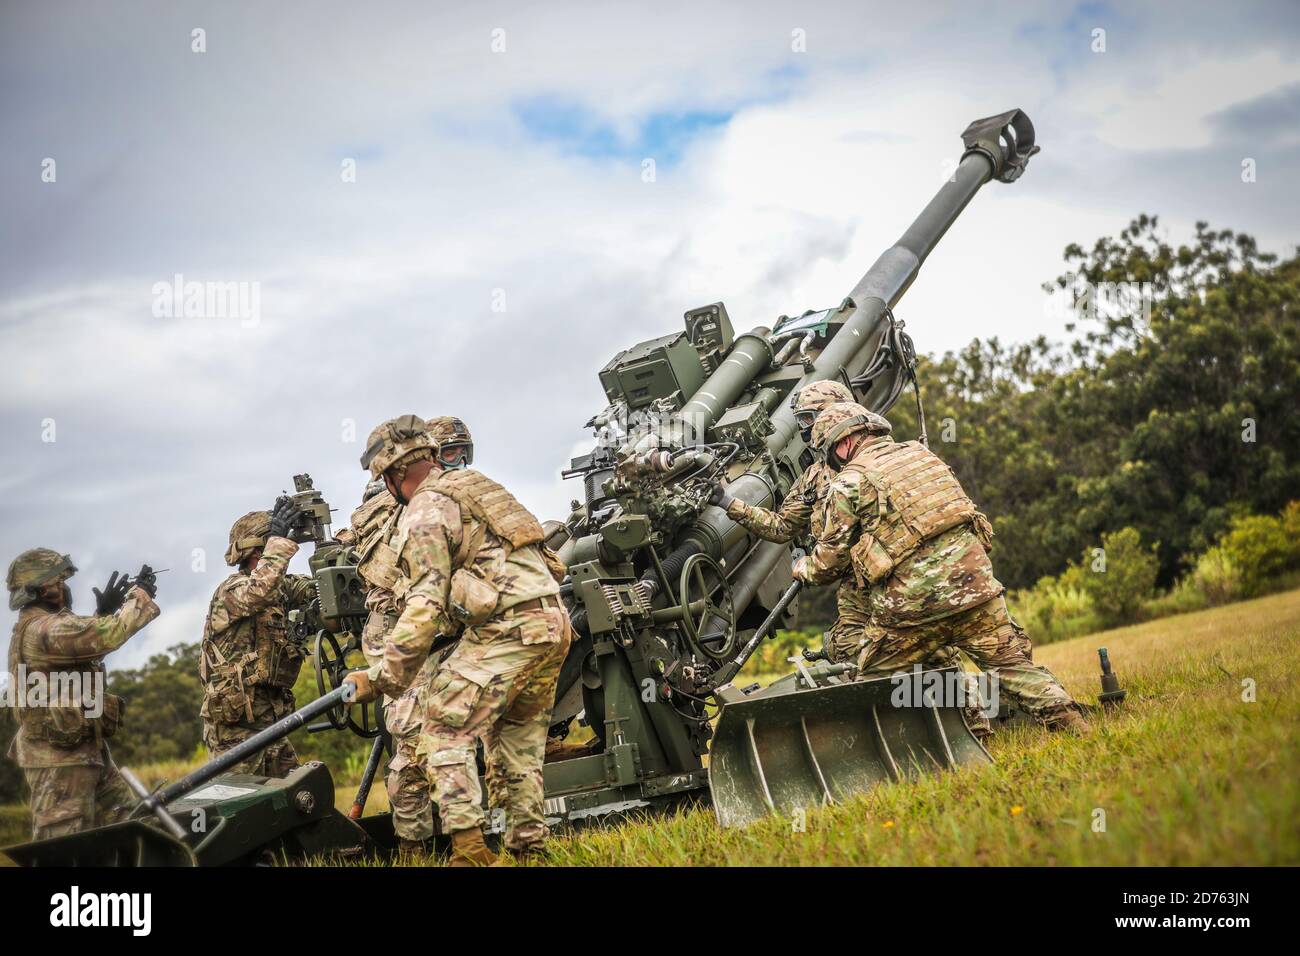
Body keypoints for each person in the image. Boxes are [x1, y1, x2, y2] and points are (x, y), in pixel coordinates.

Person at [345, 414, 570, 866]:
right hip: (553, 624)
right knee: (517, 742)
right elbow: (552, 564)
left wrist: (383, 676)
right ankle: (531, 851)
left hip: (509, 630)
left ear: (393, 475)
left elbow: (424, 604)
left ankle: (469, 853)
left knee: (443, 724)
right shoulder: (479, 489)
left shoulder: (425, 509)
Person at [793, 402, 1088, 733]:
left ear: (844, 442)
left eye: (831, 452)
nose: (833, 460)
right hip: (977, 590)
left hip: (912, 609)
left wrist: (801, 567)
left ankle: (955, 737)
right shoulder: (924, 456)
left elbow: (827, 564)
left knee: (874, 681)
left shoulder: (848, 482)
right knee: (1014, 669)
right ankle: (1075, 727)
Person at [352, 416, 474, 857]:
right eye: (449, 455)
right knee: (413, 745)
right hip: (400, 633)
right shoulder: (382, 507)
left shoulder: (443, 500)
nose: (456, 465)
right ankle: (413, 847)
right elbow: (395, 575)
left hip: (440, 630)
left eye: (464, 455)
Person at [711, 380, 874, 664]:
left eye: (809, 418)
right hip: (855, 585)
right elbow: (783, 526)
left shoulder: (876, 458)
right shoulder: (814, 477)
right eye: (800, 420)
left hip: (894, 571)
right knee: (848, 651)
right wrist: (728, 503)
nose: (804, 428)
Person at [6, 548, 159, 839]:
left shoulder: (41, 627)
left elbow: (81, 655)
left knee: (133, 829)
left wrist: (102, 613)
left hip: (83, 755)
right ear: (37, 589)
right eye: (57, 583)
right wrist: (140, 594)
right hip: (61, 765)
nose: (64, 589)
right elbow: (112, 634)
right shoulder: (45, 629)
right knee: (65, 848)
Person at [199, 498, 317, 776]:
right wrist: (277, 542)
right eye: (274, 539)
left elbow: (316, 590)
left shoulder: (278, 586)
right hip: (235, 732)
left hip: (270, 725)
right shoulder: (231, 591)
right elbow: (258, 591)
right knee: (244, 809)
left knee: (293, 800)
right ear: (259, 548)